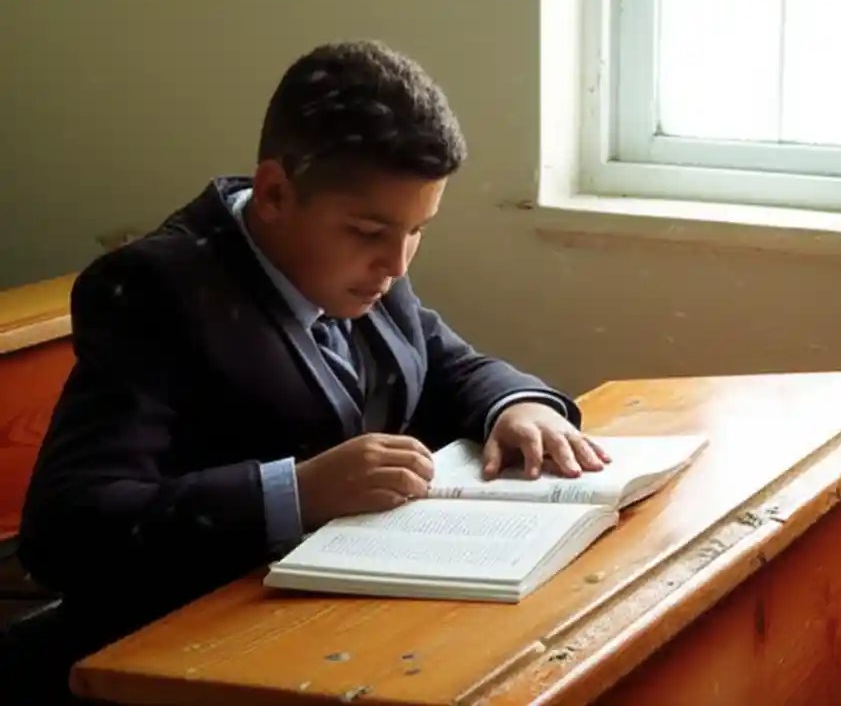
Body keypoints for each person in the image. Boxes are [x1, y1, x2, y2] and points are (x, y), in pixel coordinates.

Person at [0, 40, 608, 704]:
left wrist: (518, 407)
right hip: (173, 659)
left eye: (418, 231)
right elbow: (67, 531)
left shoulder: (362, 269)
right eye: (369, 231)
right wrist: (297, 492)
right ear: (274, 193)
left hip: (327, 633)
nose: (398, 264)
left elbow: (442, 362)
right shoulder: (154, 290)